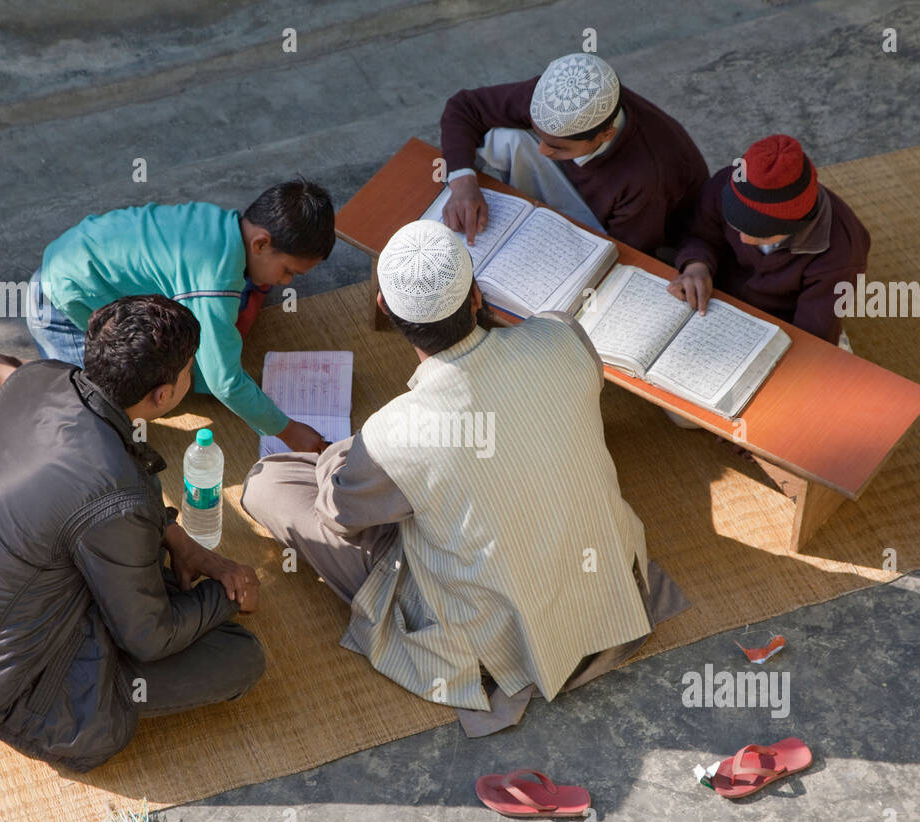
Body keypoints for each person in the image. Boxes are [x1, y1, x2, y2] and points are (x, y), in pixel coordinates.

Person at [240, 220, 688, 734]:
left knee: (267, 484)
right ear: (476, 293)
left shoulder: (394, 431)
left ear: (383, 307)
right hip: (610, 594)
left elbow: (343, 518)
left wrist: (341, 455)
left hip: (487, 644)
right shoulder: (562, 334)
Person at [0, 295, 265, 772]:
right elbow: (149, 638)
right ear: (163, 394)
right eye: (187, 369)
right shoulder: (118, 498)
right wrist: (228, 596)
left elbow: (116, 481)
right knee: (241, 656)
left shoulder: (41, 376)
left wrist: (173, 536)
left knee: (114, 542)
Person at [0, 180, 336, 452]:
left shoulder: (220, 226)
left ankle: (16, 383)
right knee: (96, 414)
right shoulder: (214, 280)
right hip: (62, 308)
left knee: (180, 378)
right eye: (288, 272)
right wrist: (287, 431)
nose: (285, 283)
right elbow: (226, 381)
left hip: (76, 265)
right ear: (262, 243)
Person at [438, 52, 708, 257]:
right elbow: (463, 108)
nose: (542, 151)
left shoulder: (648, 177)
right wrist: (462, 184)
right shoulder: (557, 96)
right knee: (505, 136)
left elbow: (627, 253)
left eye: (557, 147)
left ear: (605, 135)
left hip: (630, 232)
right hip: (584, 192)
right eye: (539, 136)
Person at [668, 134, 870, 352]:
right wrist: (696, 265)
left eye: (761, 234)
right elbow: (699, 233)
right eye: (736, 224)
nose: (743, 239)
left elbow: (813, 332)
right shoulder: (726, 184)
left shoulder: (841, 254)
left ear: (796, 225)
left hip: (783, 324)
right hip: (717, 298)